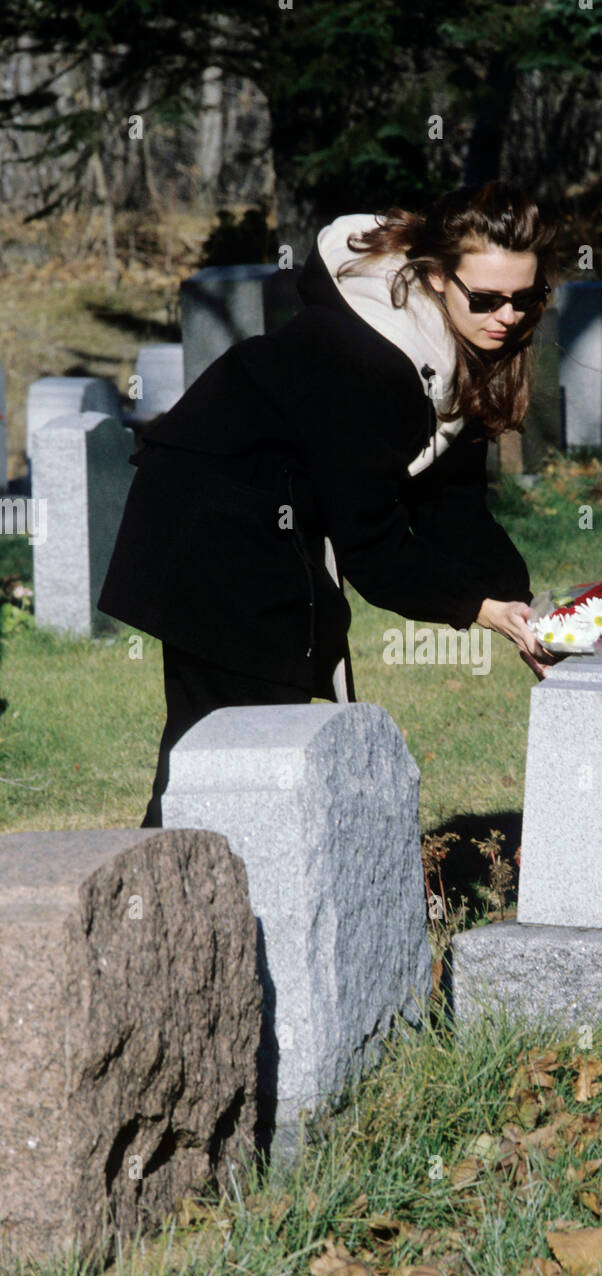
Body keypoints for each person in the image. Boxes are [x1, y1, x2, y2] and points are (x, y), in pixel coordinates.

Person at [98, 179, 560, 827]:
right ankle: (169, 905)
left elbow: (451, 502)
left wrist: (529, 609)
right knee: (237, 745)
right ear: (433, 279)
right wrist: (481, 610)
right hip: (214, 512)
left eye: (526, 298)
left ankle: (207, 901)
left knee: (251, 744)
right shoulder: (370, 361)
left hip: (266, 508)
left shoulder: (447, 350)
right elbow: (375, 551)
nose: (508, 317)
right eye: (485, 299)